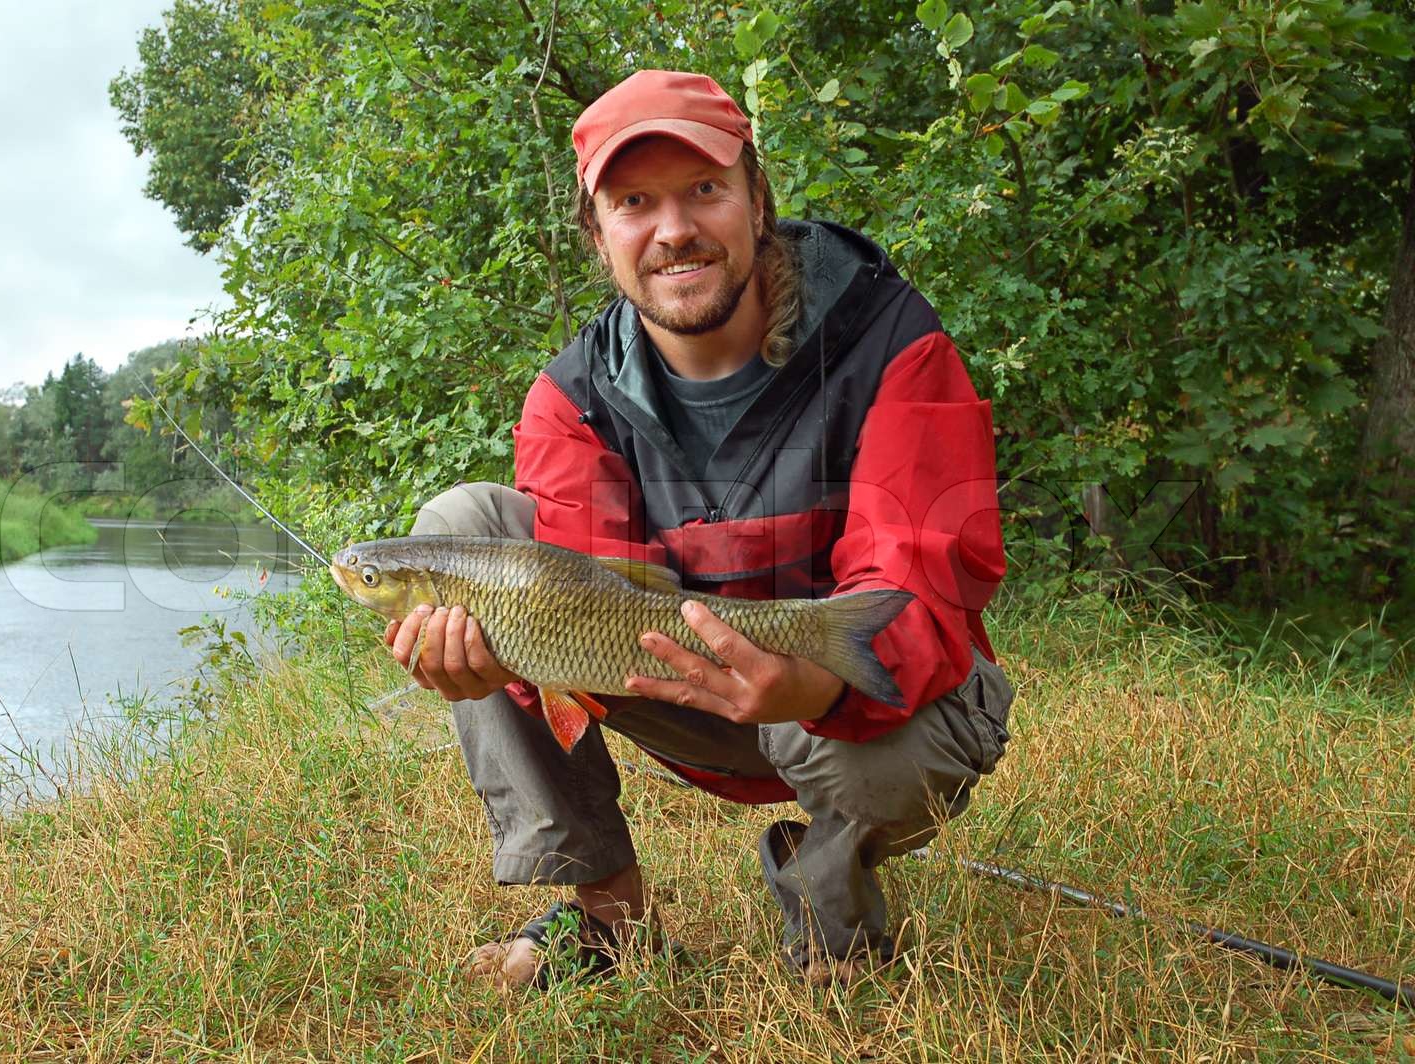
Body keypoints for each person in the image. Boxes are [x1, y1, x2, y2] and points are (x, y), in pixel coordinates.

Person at [383, 69, 1014, 988]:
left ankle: (828, 898)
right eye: (634, 202)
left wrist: (804, 685)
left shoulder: (890, 342)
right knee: (465, 531)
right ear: (598, 236)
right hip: (677, 680)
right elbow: (592, 595)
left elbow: (915, 585)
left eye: (704, 190)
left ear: (758, 200)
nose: (673, 229)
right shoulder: (573, 396)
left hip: (849, 703)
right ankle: (603, 919)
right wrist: (507, 656)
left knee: (893, 723)